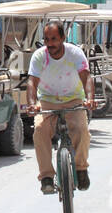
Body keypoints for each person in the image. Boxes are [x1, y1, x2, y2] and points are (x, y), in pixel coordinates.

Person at [26, 21, 95, 195]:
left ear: (63, 38)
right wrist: (32, 103)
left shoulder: (75, 54)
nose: (50, 44)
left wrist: (90, 99)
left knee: (81, 130)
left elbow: (86, 78)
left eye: (54, 39)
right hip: (47, 101)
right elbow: (32, 82)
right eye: (47, 39)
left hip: (73, 100)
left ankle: (81, 168)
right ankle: (46, 177)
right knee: (39, 130)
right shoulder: (39, 56)